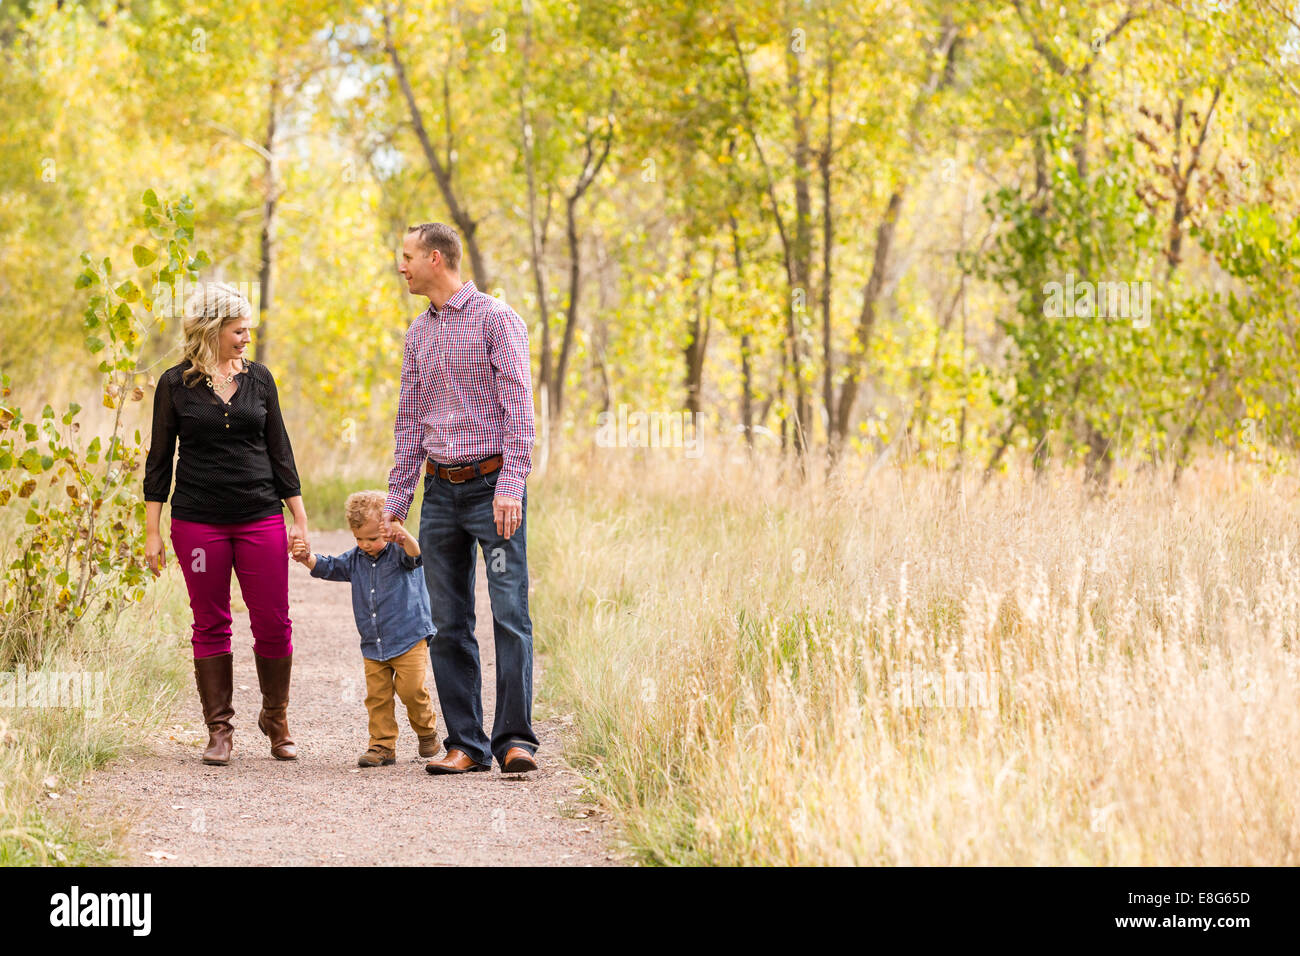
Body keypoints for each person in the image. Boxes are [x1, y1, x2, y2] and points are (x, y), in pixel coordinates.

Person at [381, 222, 539, 775]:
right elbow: (408, 424)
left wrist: (512, 486)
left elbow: (519, 409)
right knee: (447, 621)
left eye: (406, 257)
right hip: (440, 496)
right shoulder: (417, 333)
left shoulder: (498, 320)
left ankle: (515, 740)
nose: (400, 266)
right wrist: (396, 508)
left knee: (510, 616)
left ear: (435, 258)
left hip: (492, 491)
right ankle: (466, 743)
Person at [142, 281, 309, 766]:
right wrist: (152, 531)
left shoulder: (261, 380)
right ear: (213, 331)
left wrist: (298, 519)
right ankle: (219, 730)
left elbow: (281, 451)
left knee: (273, 621)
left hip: (259, 517)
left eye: (249, 330)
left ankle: (275, 718)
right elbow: (158, 461)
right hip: (198, 522)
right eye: (239, 330)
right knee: (210, 622)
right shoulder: (175, 384)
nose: (246, 339)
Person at [290, 490, 440, 768]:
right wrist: (307, 558)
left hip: (409, 637)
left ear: (388, 528)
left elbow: (415, 554)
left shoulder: (399, 552)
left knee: (411, 691)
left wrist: (402, 535)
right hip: (374, 643)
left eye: (372, 538)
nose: (366, 545)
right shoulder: (356, 558)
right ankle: (382, 746)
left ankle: (426, 729)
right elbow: (331, 567)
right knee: (378, 698)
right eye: (359, 539)